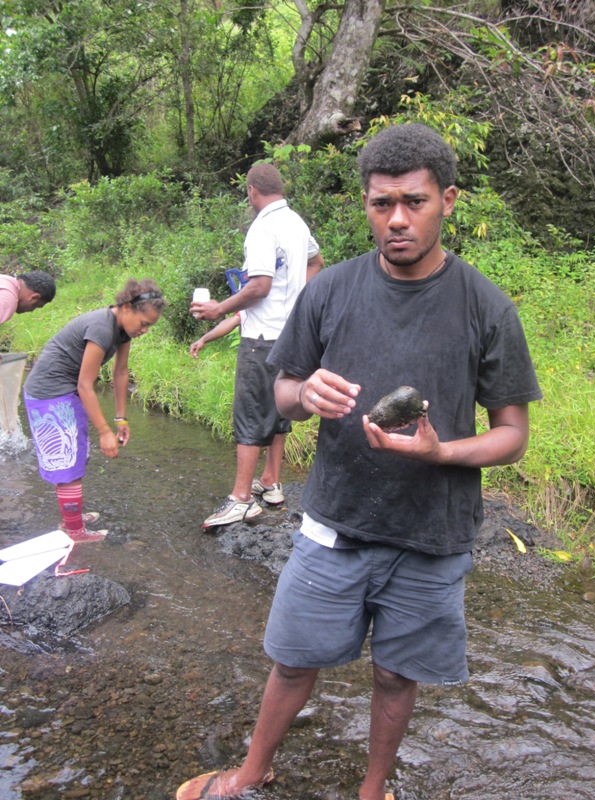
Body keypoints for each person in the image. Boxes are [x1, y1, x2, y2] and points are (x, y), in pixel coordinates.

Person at [175, 123, 542, 800]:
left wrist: (443, 450)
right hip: (334, 522)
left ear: (448, 200)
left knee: (397, 674)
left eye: (414, 201)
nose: (397, 219)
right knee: (291, 662)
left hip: (432, 534)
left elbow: (513, 434)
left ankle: (374, 790)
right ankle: (251, 774)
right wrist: (303, 393)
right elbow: (283, 391)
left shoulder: (486, 307)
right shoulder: (331, 291)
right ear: (366, 205)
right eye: (381, 204)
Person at [191, 162, 323, 528]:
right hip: (293, 335)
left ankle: (241, 499)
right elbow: (317, 262)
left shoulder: (262, 227)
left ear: (252, 190)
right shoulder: (297, 223)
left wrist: (218, 308)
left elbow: (260, 285)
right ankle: (271, 482)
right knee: (280, 406)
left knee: (250, 412)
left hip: (262, 336)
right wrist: (298, 303)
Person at [22, 278, 166, 542]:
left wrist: (120, 418)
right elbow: (85, 385)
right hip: (49, 391)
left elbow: (120, 372)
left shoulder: (122, 329)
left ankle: (71, 517)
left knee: (76, 453)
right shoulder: (102, 327)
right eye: (144, 323)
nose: (145, 330)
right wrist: (104, 431)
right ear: (125, 307)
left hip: (63, 390)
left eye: (150, 326)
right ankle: (74, 531)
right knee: (66, 460)